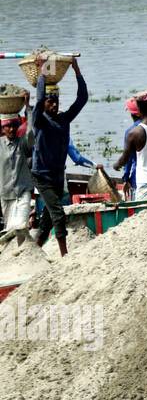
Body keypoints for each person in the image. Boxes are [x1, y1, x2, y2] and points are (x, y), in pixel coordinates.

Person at [30, 59, 89, 256]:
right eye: (49, 101)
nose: (53, 105)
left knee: (46, 221)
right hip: (42, 176)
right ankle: (65, 255)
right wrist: (42, 73)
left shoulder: (63, 119)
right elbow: (37, 102)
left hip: (57, 176)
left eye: (55, 101)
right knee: (58, 214)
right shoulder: (39, 121)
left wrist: (77, 70)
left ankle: (35, 252)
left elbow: (82, 99)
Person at [114, 91, 147, 201]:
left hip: (145, 182)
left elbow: (125, 159)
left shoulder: (134, 133)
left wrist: (116, 165)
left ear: (138, 109)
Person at [0, 95, 35, 245]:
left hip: (23, 191)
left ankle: (21, 252)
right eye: (8, 126)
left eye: (14, 125)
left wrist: (28, 108)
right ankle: (12, 254)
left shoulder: (23, 143)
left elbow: (32, 133)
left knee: (21, 226)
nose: (12, 129)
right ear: (2, 127)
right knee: (9, 230)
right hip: (6, 194)